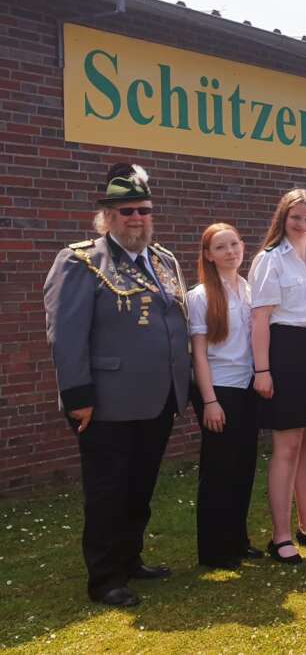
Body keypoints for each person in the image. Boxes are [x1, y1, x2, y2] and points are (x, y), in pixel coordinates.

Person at [43, 163, 190, 607]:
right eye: (127, 211)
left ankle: (130, 559)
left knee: (140, 487)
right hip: (106, 403)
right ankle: (105, 578)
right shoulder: (81, 260)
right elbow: (65, 334)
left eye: (144, 211)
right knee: (107, 491)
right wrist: (77, 396)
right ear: (107, 216)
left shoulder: (165, 260)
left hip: (159, 398)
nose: (137, 219)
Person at [249, 188, 306, 564]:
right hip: (284, 352)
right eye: (296, 217)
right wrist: (263, 370)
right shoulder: (270, 259)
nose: (302, 224)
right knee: (286, 447)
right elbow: (259, 318)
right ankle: (280, 535)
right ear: (283, 218)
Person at [187, 223, 262, 569]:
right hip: (219, 389)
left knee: (243, 467)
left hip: (247, 388)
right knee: (218, 470)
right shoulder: (200, 296)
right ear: (208, 256)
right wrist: (210, 401)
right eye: (221, 247)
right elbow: (198, 354)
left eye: (234, 244)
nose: (230, 251)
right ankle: (214, 550)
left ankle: (237, 540)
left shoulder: (248, 289)